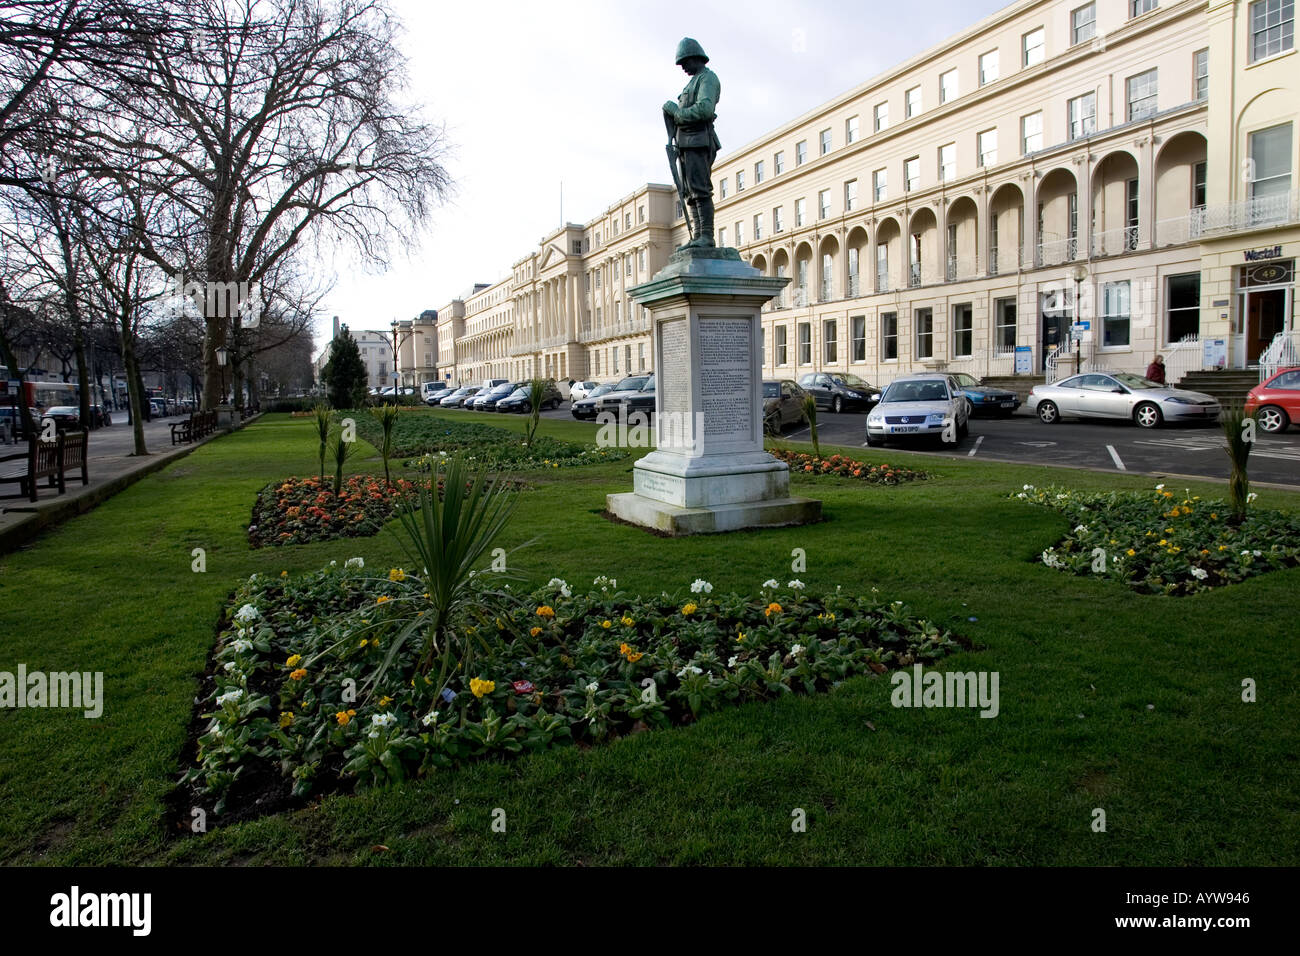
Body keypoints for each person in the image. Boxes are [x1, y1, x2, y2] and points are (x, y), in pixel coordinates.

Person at [663, 38, 721, 250]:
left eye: (684, 62)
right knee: (689, 192)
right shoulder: (693, 82)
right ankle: (698, 236)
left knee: (700, 189)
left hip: (699, 141)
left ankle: (706, 235)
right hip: (686, 144)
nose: (683, 67)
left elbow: (705, 109)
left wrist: (676, 113)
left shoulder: (708, 78)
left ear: (695, 57)